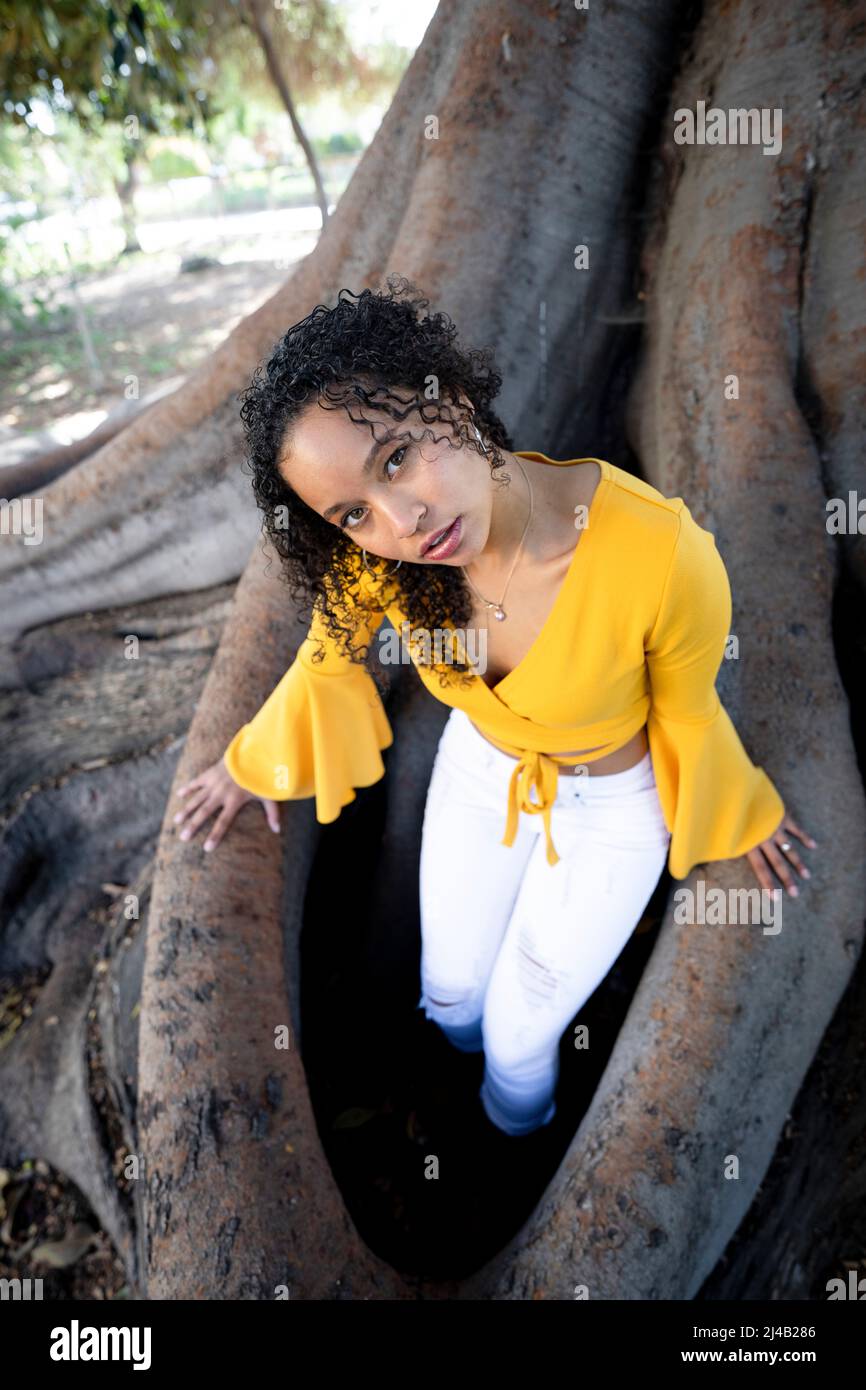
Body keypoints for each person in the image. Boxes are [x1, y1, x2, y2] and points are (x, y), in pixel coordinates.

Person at [172, 276, 816, 1137]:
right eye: (354, 511)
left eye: (398, 456)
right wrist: (246, 767)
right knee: (451, 993)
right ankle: (444, 1113)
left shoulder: (664, 556)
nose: (402, 518)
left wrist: (746, 814)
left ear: (458, 400)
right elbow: (326, 664)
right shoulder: (381, 562)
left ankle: (517, 1141)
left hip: (611, 812)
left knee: (521, 1034)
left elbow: (691, 715)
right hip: (480, 773)